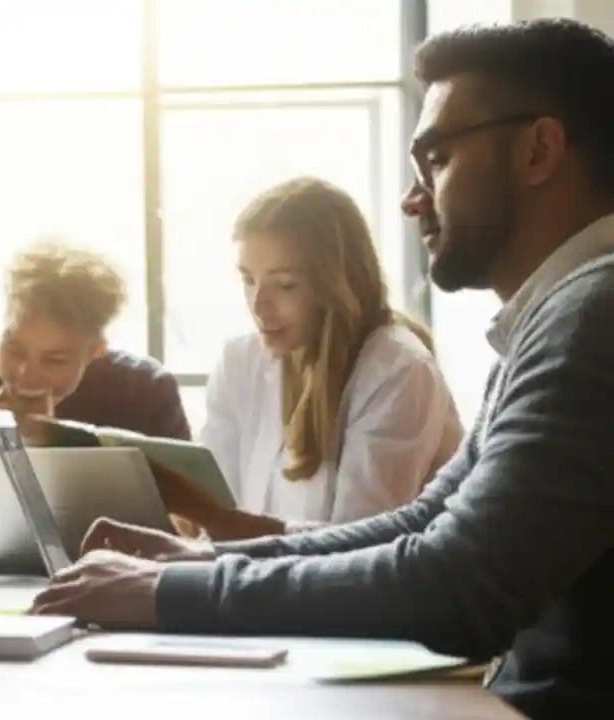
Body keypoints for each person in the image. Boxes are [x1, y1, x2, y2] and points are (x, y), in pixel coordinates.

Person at [31, 19, 614, 720]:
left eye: (435, 158)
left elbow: (461, 584)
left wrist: (166, 593)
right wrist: (204, 563)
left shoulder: (594, 312)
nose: (411, 197)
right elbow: (426, 522)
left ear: (539, 149)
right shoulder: (561, 310)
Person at [175, 177, 462, 541]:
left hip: (369, 592)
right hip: (258, 588)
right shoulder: (239, 362)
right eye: (248, 280)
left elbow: (360, 549)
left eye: (285, 285)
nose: (258, 305)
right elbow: (215, 521)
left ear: (339, 283)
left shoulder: (398, 370)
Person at [0, 238, 192, 549]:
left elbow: (190, 521)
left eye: (54, 360)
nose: (25, 374)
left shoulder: (145, 392)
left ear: (96, 351)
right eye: (14, 349)